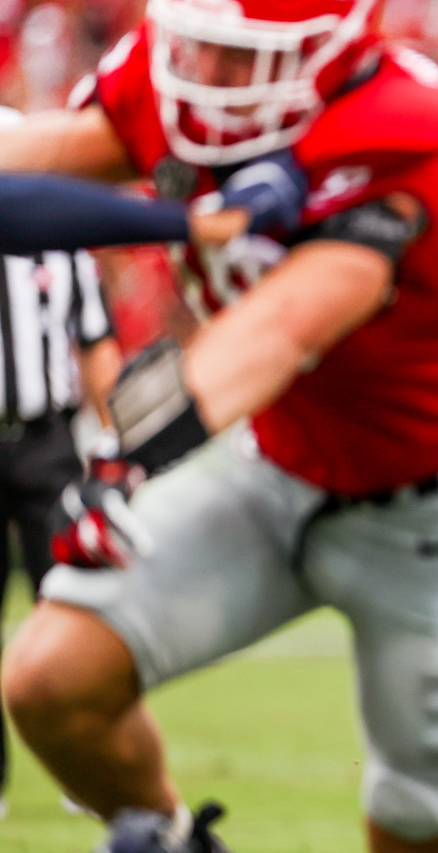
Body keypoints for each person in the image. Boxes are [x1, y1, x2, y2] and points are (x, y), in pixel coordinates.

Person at [0, 2, 438, 852]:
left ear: (329, 53)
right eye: (198, 43)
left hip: (422, 502)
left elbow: (284, 325)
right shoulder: (182, 84)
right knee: (51, 678)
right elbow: (37, 163)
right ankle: (176, 840)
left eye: (239, 55)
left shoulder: (397, 130)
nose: (205, 73)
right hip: (269, 462)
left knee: (419, 825)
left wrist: (127, 458)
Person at [0, 107, 122, 819]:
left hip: (46, 437)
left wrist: (111, 445)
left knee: (73, 605)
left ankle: (83, 764)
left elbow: (96, 342)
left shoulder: (58, 241)